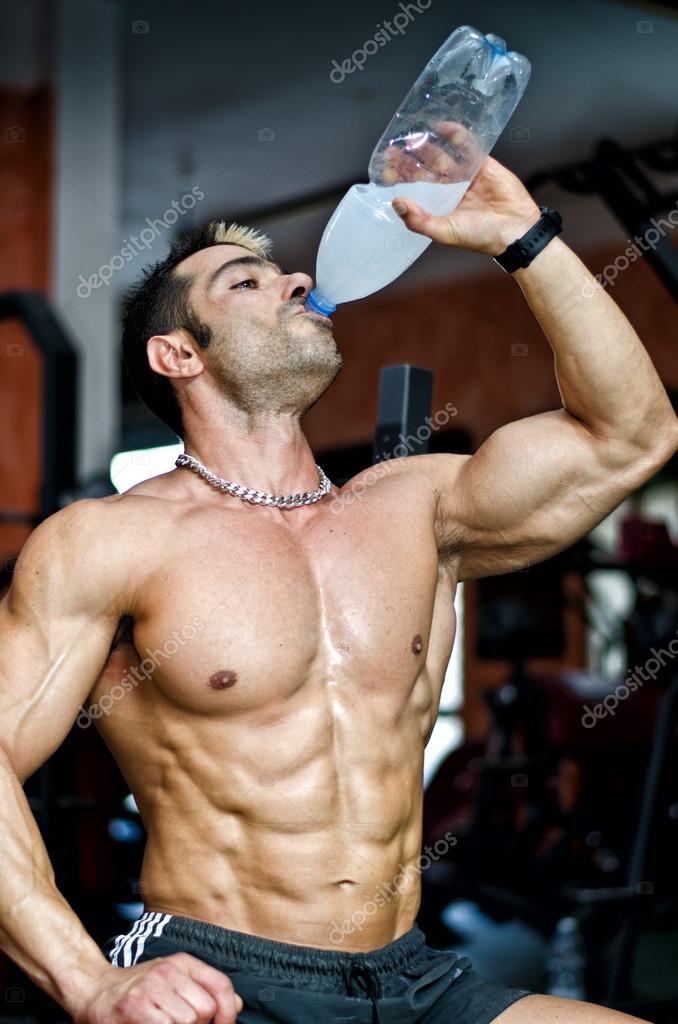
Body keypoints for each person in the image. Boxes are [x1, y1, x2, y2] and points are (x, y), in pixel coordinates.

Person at [1, 150, 676, 1024]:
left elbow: (631, 435)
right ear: (177, 353)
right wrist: (92, 981)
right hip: (216, 977)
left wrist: (524, 237)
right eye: (246, 283)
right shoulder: (112, 540)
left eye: (284, 272)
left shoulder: (420, 506)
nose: (295, 281)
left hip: (414, 976)